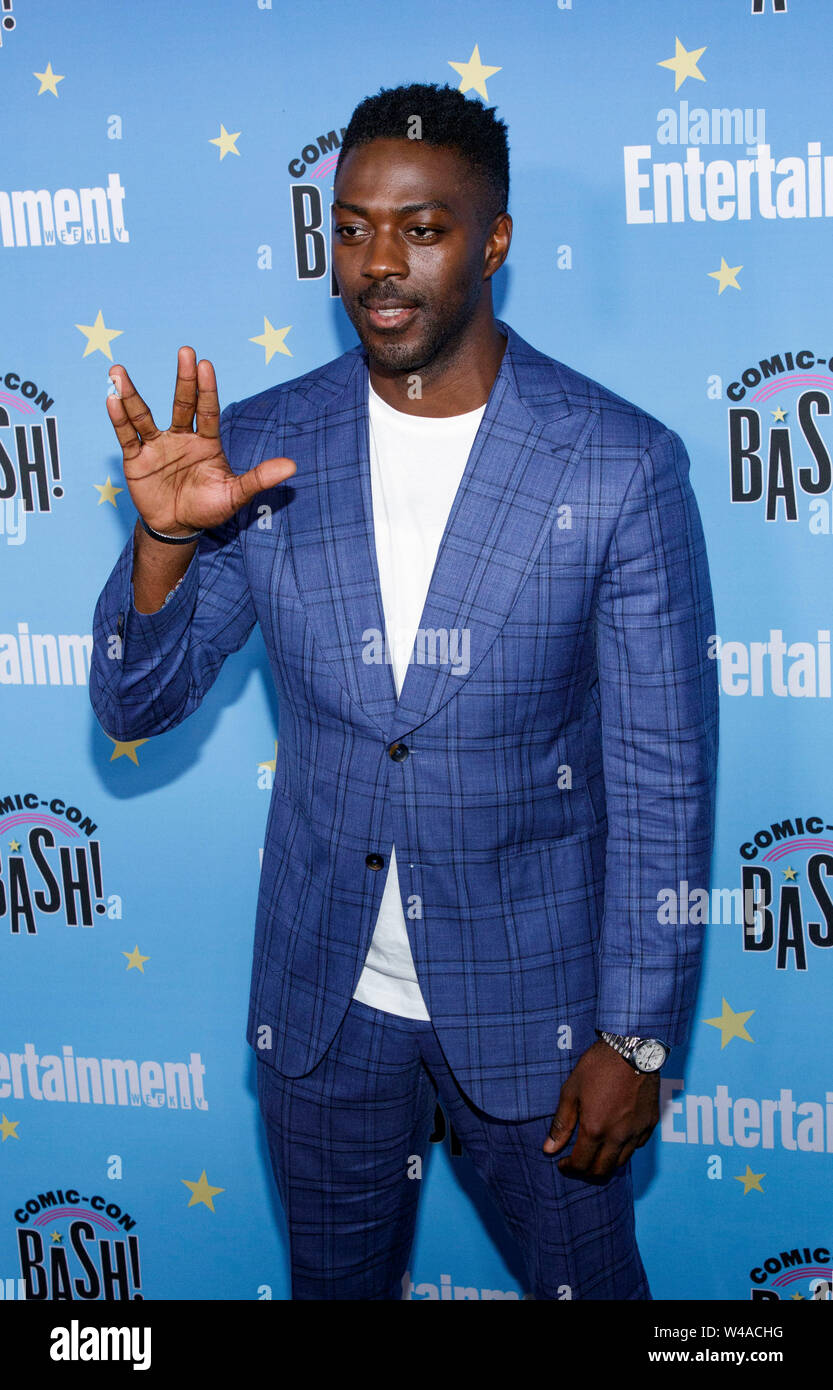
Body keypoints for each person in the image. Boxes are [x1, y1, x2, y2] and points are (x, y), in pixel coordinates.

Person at [90, 82, 719, 1300]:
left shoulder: (617, 460)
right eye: (353, 227)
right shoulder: (264, 452)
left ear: (491, 241)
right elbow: (134, 706)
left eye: (421, 229)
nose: (379, 263)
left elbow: (662, 774)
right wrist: (164, 544)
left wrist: (635, 1034)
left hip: (543, 1019)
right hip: (325, 1017)